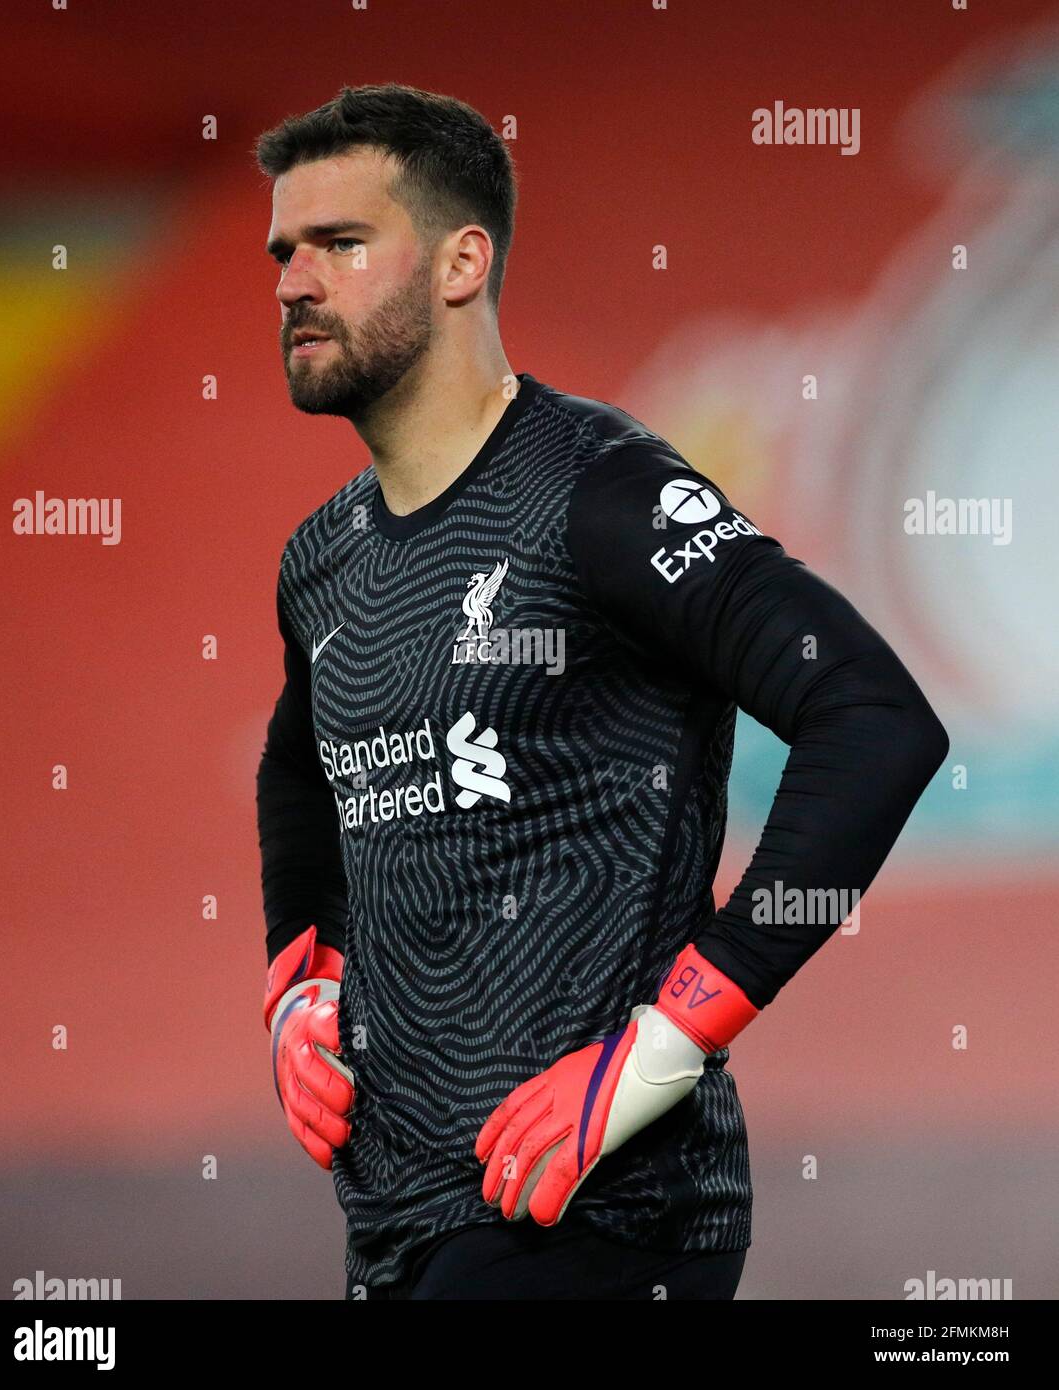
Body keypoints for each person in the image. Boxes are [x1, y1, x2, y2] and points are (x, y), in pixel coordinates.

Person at [254, 83, 948, 1301]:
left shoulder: (602, 493)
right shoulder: (324, 559)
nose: (293, 283)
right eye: (284, 251)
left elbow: (876, 719)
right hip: (400, 1224)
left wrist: (668, 1047)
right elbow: (298, 767)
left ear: (464, 261)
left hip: (602, 1217)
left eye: (341, 244)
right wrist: (298, 980)